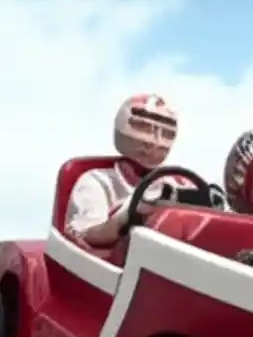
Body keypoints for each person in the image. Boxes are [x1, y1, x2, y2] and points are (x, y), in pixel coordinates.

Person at [66, 94, 179, 247]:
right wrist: (125, 219)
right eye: (143, 127)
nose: (154, 140)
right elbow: (85, 235)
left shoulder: (174, 186)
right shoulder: (97, 182)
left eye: (165, 132)